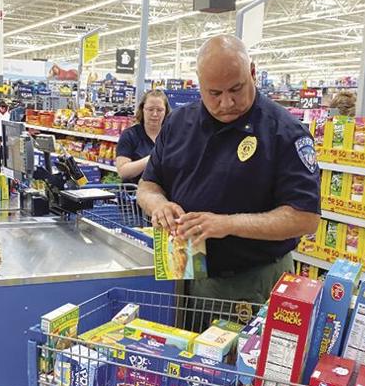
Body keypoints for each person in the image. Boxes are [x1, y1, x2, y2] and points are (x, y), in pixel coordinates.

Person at [137, 35, 320, 304]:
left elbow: (305, 217)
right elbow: (148, 186)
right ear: (200, 85)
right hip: (181, 272)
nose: (226, 103)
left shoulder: (284, 132)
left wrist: (227, 224)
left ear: (253, 73)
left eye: (236, 89)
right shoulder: (177, 123)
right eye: (214, 93)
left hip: (251, 283)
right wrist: (158, 206)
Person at [116, 90, 170, 183]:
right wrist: (153, 158)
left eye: (160, 110)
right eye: (150, 109)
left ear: (166, 111)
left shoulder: (172, 135)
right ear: (142, 110)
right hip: (134, 193)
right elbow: (123, 171)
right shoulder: (130, 135)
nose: (155, 114)